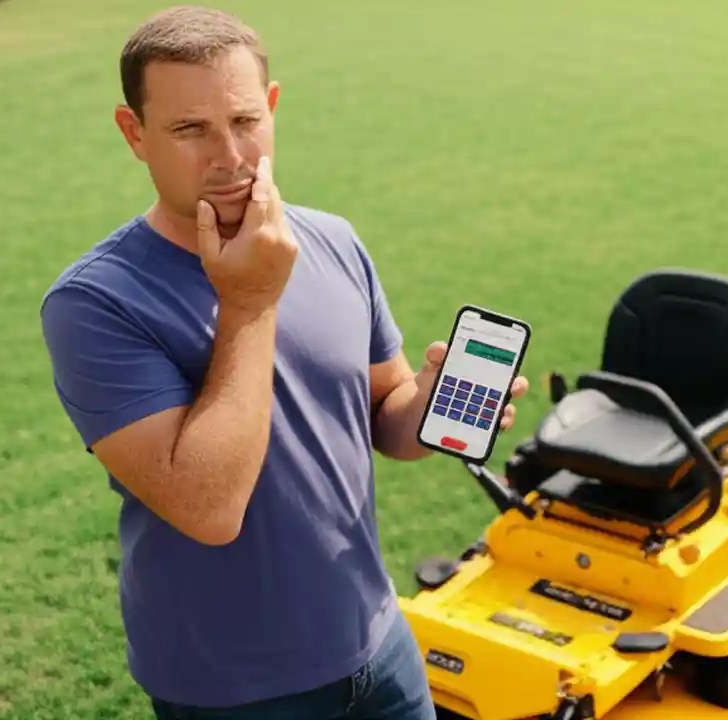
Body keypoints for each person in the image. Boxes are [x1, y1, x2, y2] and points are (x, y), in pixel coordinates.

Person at [39, 5, 528, 719]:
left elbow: (382, 416)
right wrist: (249, 303)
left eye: (243, 121)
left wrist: (425, 407)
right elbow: (208, 509)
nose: (229, 157)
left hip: (379, 642)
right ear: (133, 133)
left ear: (271, 108)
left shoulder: (332, 240)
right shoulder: (95, 303)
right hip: (233, 689)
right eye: (189, 130)